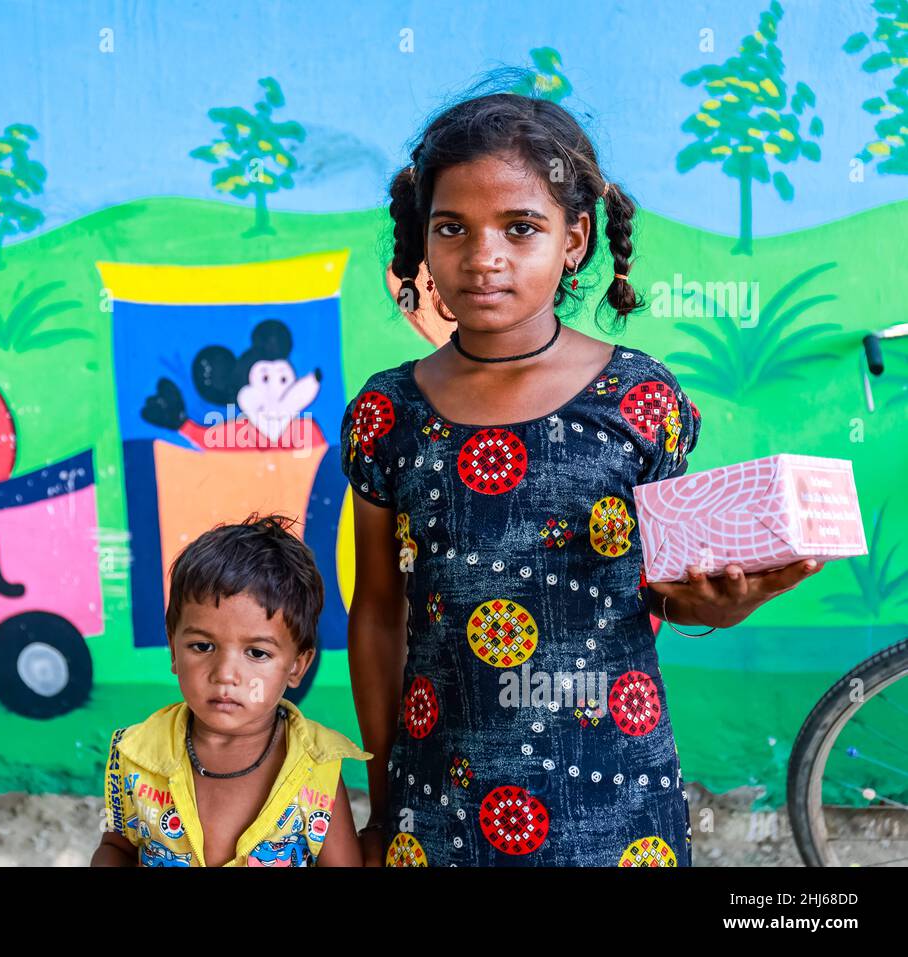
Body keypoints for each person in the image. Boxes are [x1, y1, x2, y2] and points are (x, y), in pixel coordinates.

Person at [343, 86, 824, 867]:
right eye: (452, 228)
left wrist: (722, 606)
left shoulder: (639, 400)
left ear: (575, 239)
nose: (483, 256)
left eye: (520, 227)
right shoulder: (388, 414)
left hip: (617, 803)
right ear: (423, 241)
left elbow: (669, 587)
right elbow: (376, 611)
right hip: (439, 804)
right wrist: (384, 789)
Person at [91, 514, 370, 866]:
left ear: (297, 665)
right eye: (202, 647)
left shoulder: (316, 769)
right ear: (173, 649)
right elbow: (117, 847)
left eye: (257, 653)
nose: (225, 674)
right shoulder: (138, 755)